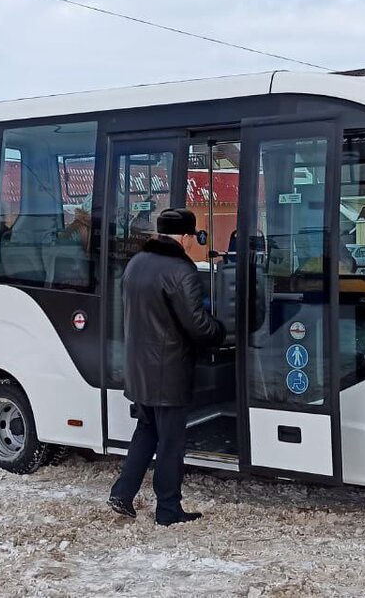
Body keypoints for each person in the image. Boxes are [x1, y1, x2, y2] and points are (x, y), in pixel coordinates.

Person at [108, 208, 225, 526]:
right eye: (192, 238)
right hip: (168, 370)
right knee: (171, 442)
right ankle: (168, 509)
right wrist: (221, 332)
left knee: (146, 431)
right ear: (185, 237)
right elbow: (197, 324)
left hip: (139, 368)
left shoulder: (136, 264)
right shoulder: (180, 271)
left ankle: (122, 492)